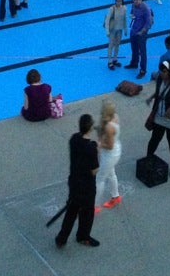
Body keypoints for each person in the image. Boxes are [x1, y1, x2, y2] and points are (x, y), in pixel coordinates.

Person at [55, 113, 100, 248]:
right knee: (87, 212)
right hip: (86, 186)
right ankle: (83, 236)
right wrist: (97, 151)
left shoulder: (74, 139)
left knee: (72, 211)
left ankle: (62, 238)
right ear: (91, 128)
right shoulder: (91, 148)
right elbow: (94, 170)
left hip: (74, 182)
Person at [95, 99, 122, 210]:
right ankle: (115, 196)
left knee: (100, 179)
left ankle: (94, 206)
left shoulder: (108, 127)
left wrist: (100, 145)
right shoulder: (115, 117)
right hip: (115, 150)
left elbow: (109, 145)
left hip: (110, 154)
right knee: (111, 174)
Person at [125, 0, 154, 78]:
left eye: (136, 0)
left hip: (141, 33)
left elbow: (149, 23)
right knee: (134, 49)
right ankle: (134, 63)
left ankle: (143, 70)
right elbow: (132, 12)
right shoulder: (134, 5)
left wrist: (141, 32)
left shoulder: (146, 9)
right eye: (133, 0)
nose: (134, 2)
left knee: (142, 52)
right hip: (133, 30)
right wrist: (131, 15)